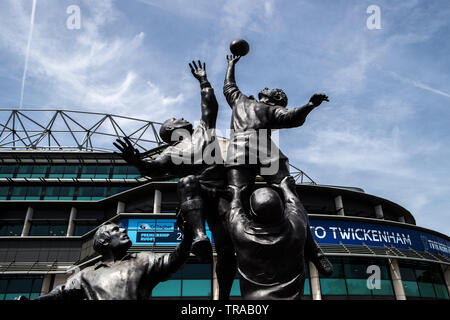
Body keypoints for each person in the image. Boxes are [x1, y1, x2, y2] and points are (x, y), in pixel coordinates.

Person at [113, 60, 236, 300]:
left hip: (224, 193)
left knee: (226, 249)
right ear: (171, 129)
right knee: (186, 181)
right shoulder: (169, 153)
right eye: (176, 118)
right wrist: (136, 160)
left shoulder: (203, 130)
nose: (181, 116)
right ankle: (200, 237)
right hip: (199, 198)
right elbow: (153, 168)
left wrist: (203, 81)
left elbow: (209, 105)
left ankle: (224, 298)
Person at [223, 54, 333, 276]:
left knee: (236, 197)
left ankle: (238, 250)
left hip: (239, 153)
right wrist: (310, 105)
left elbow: (228, 86)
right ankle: (313, 250)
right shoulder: (272, 109)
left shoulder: (240, 100)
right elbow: (293, 117)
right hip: (265, 152)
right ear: (274, 101)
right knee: (289, 193)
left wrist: (231, 65)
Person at [15, 219, 192, 300]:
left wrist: (188, 235)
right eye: (116, 230)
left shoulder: (144, 259)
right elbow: (59, 294)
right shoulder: (86, 274)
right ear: (105, 240)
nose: (123, 231)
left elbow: (174, 260)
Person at [225, 176, 315, 299]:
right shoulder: (297, 228)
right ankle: (316, 253)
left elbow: (234, 210)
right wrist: (285, 188)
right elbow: (295, 204)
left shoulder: (241, 234)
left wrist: (236, 194)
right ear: (282, 210)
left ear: (251, 214)